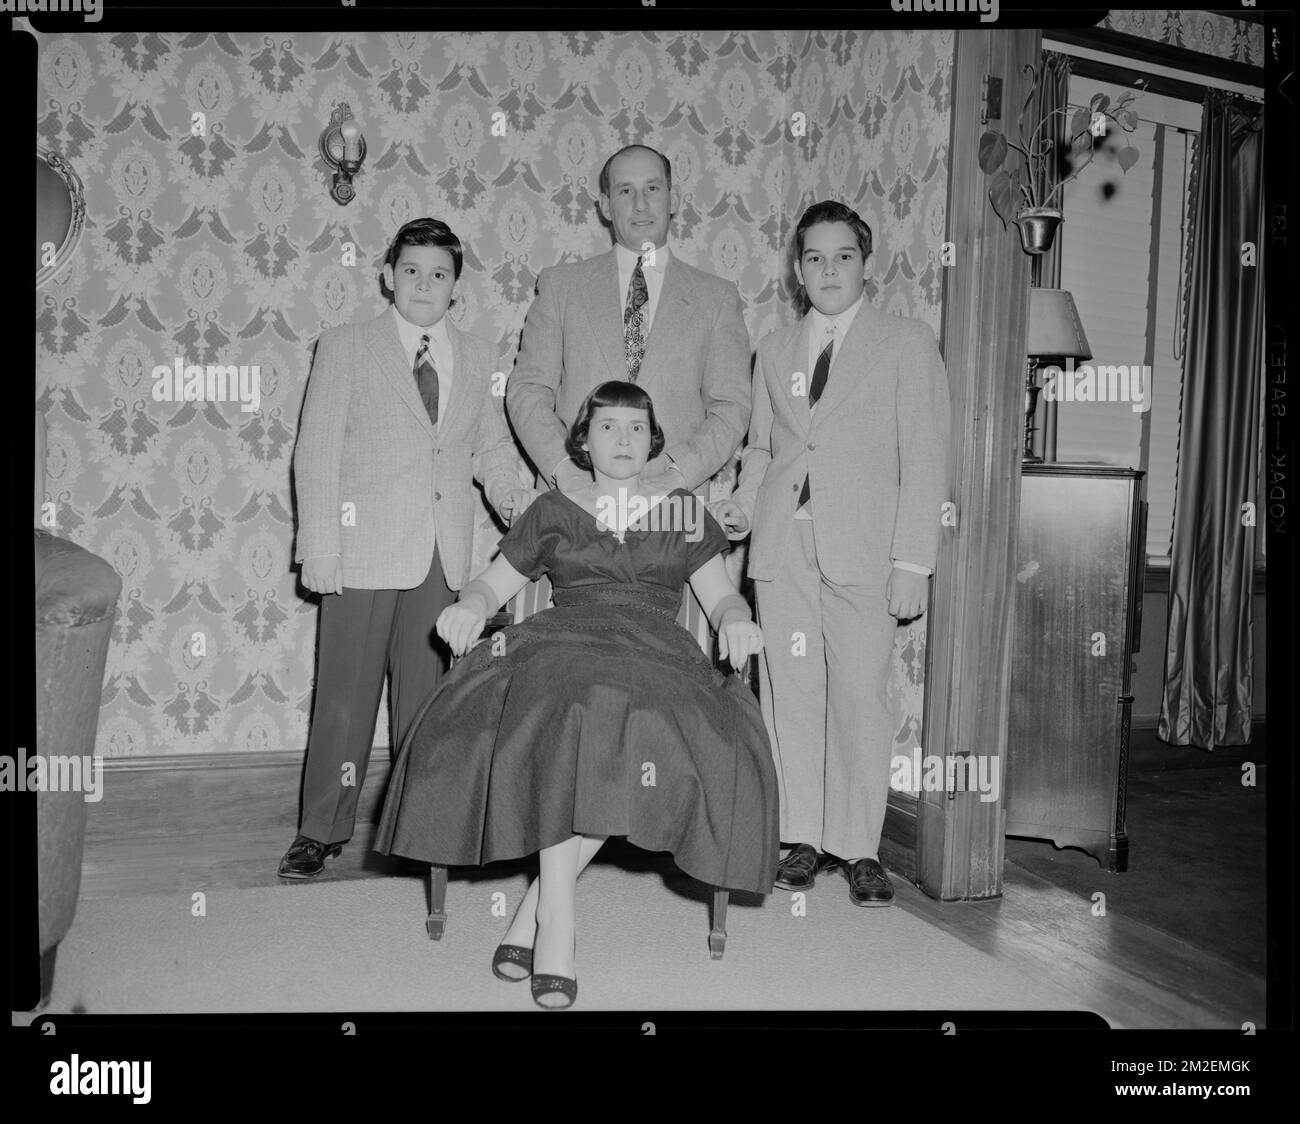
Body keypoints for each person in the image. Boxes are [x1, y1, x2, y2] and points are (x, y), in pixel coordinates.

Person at [375, 381, 779, 1009]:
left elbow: (719, 592)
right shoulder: (550, 510)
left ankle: (535, 912)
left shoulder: (682, 511)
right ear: (584, 443)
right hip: (563, 640)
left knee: (615, 716)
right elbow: (491, 585)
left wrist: (733, 619)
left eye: (636, 429)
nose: (623, 439)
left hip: (653, 648)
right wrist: (470, 607)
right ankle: (558, 924)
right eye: (608, 427)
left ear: (653, 444)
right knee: (574, 705)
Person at [281, 217, 535, 879]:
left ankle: (424, 829)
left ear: (457, 288)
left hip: (440, 557)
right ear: (389, 275)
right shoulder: (346, 345)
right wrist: (320, 545)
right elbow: (318, 448)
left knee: (429, 704)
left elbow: (487, 447)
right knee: (345, 696)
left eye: (440, 274)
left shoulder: (477, 356)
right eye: (412, 271)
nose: (425, 284)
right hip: (360, 550)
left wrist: (515, 500)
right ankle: (321, 831)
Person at [717, 201, 951, 907]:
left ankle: (859, 848)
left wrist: (914, 561)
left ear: (865, 264)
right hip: (785, 546)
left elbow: (927, 455)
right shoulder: (777, 347)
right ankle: (801, 838)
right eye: (814, 258)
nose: (827, 270)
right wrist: (742, 502)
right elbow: (765, 448)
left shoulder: (906, 343)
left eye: (842, 256)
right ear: (796, 269)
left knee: (859, 694)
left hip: (867, 550)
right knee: (791, 692)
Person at [506, 143, 752, 648]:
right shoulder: (561, 286)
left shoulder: (715, 296)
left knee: (672, 694)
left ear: (673, 198)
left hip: (672, 533)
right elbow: (528, 391)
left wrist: (674, 479)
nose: (640, 205)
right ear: (604, 205)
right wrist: (569, 476)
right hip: (569, 525)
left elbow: (732, 407)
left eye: (652, 189)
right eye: (625, 191)